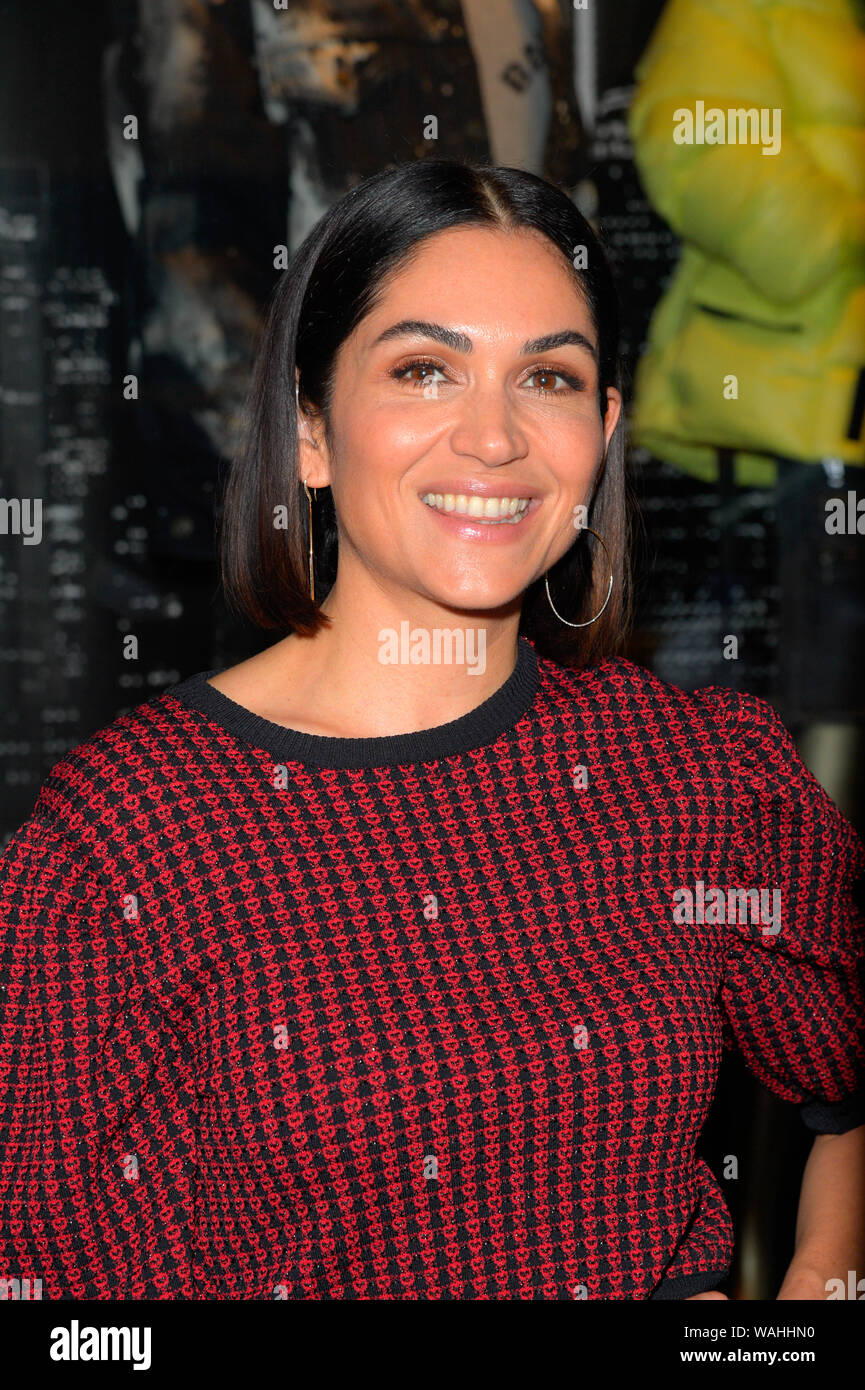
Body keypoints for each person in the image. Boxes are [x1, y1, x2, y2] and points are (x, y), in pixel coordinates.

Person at [0, 159, 862, 1301]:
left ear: (602, 431)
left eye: (548, 379)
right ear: (309, 427)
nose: (493, 438)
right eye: (423, 369)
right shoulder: (121, 843)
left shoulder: (698, 771)